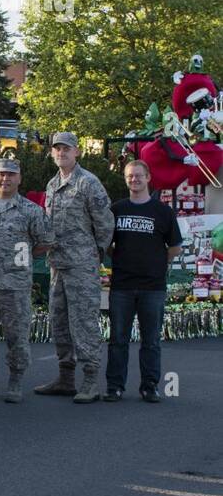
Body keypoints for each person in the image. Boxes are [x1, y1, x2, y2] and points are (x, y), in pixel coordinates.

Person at [34, 132, 115, 404]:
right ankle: (66, 378)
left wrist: (96, 254)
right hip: (57, 266)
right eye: (57, 149)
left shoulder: (88, 183)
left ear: (77, 152)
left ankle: (91, 380)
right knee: (59, 323)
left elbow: (105, 223)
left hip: (81, 267)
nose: (61, 153)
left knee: (84, 323)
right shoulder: (52, 183)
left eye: (66, 149)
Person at [0, 159, 54, 402]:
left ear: (19, 178)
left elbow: (44, 242)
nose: (6, 179)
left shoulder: (31, 210)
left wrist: (18, 258)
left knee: (16, 336)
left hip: (14, 286)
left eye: (11, 175)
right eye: (2, 174)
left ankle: (15, 382)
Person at [105, 158, 182, 403]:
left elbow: (175, 247)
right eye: (130, 176)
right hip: (122, 286)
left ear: (148, 178)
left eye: (139, 175)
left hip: (153, 287)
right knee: (118, 340)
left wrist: (157, 264)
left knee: (151, 341)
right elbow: (107, 244)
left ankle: (150, 386)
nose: (134, 180)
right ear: (126, 179)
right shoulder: (116, 210)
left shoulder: (162, 211)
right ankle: (115, 387)